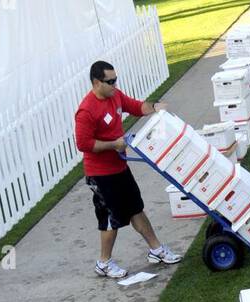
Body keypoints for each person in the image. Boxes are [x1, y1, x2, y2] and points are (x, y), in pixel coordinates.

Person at [75, 60, 183, 280]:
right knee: (110, 218)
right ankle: (103, 263)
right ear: (97, 82)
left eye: (115, 79)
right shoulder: (86, 111)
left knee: (136, 208)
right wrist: (113, 145)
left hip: (119, 167)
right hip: (100, 174)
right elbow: (84, 144)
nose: (115, 84)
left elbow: (135, 106)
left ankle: (156, 250)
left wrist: (154, 107)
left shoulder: (114, 96)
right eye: (110, 81)